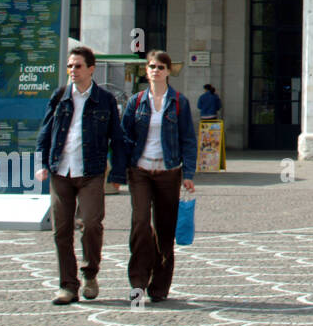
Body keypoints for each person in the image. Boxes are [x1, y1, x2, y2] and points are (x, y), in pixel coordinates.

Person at [33, 45, 126, 305]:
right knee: (61, 230)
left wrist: (118, 172)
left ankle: (90, 273)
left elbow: (117, 138)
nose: (73, 70)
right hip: (60, 172)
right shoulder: (60, 95)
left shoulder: (105, 99)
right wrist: (42, 162)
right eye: (70, 66)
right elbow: (45, 132)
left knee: (91, 225)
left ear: (91, 69)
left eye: (78, 66)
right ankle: (67, 286)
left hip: (91, 172)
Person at [119, 50, 196, 304]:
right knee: (141, 223)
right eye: (152, 66)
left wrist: (189, 173)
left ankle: (160, 286)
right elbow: (124, 137)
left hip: (168, 171)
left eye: (161, 66)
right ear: (146, 70)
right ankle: (138, 281)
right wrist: (121, 169)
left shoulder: (178, 102)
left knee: (165, 229)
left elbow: (188, 139)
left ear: (168, 71)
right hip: (140, 170)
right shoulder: (136, 101)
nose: (156, 70)